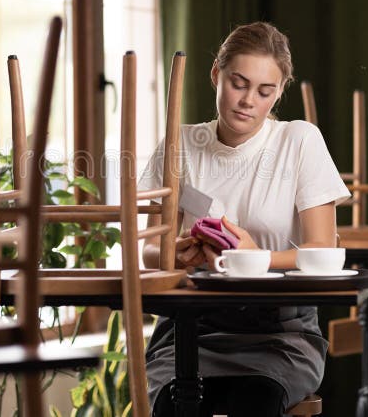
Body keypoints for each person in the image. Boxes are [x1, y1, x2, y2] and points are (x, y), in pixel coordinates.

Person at [139, 21, 350, 416]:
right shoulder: (179, 144)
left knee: (255, 400)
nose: (248, 100)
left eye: (264, 91)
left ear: (278, 94)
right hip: (190, 332)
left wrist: (255, 259)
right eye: (239, 83)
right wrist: (179, 253)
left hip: (280, 336)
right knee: (174, 404)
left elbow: (323, 251)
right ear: (216, 74)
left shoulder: (299, 141)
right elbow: (149, 251)